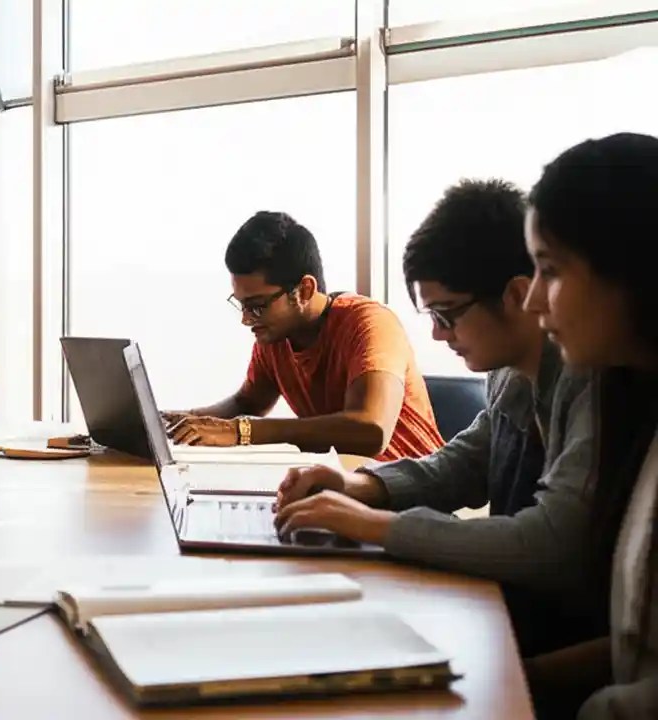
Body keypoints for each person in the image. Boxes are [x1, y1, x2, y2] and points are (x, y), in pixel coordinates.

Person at [272, 179, 598, 660]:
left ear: (515, 294)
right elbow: (464, 465)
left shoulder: (588, 377)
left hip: (561, 637)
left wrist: (377, 526)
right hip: (512, 613)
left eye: (447, 314)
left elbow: (549, 542)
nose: (438, 335)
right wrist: (360, 487)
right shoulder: (510, 373)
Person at [519, 133, 658, 720]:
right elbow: (637, 647)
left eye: (549, 270)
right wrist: (510, 674)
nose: (532, 301)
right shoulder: (635, 401)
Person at [167, 211, 443, 461]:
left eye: (258, 306)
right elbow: (247, 403)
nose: (246, 318)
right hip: (349, 493)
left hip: (413, 498)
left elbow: (371, 430)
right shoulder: (274, 337)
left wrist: (243, 431)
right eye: (242, 305)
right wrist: (180, 422)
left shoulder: (369, 323)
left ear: (304, 290)